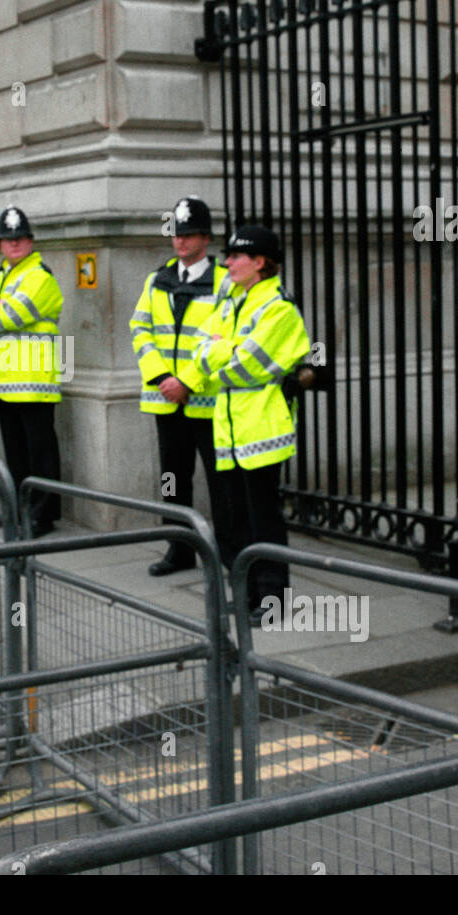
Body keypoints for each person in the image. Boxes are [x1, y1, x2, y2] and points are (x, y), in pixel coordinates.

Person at [180, 225, 310, 620]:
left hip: (262, 429)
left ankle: (273, 600)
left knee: (264, 520)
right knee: (236, 520)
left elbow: (243, 368)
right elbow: (197, 350)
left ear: (260, 262)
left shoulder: (278, 309)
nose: (228, 262)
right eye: (229, 255)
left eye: (237, 256)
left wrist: (221, 352)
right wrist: (224, 350)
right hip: (231, 429)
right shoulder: (230, 303)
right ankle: (251, 591)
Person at [130, 196, 236, 575]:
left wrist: (187, 382)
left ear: (206, 238)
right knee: (173, 478)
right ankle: (179, 548)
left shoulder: (226, 281)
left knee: (221, 482)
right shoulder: (157, 279)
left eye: (189, 235)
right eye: (176, 234)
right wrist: (161, 378)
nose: (180, 242)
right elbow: (139, 328)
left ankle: (230, 555)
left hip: (206, 401)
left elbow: (225, 340)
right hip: (166, 399)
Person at [0, 206, 64, 537]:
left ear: (31, 241)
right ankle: (20, 509)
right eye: (8, 239)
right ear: (0, 244)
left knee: (40, 453)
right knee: (16, 453)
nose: (15, 244)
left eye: (20, 238)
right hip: (5, 380)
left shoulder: (40, 276)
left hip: (34, 381)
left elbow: (9, 315)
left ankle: (44, 514)